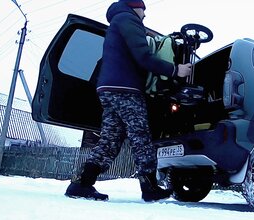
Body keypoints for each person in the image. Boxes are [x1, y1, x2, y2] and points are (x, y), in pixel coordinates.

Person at [65, 0, 192, 202]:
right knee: (140, 136)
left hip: (109, 88)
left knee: (110, 140)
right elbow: (144, 57)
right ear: (136, 7)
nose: (145, 15)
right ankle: (149, 187)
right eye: (144, 10)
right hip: (125, 88)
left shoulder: (118, 21)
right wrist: (176, 70)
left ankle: (82, 183)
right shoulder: (129, 20)